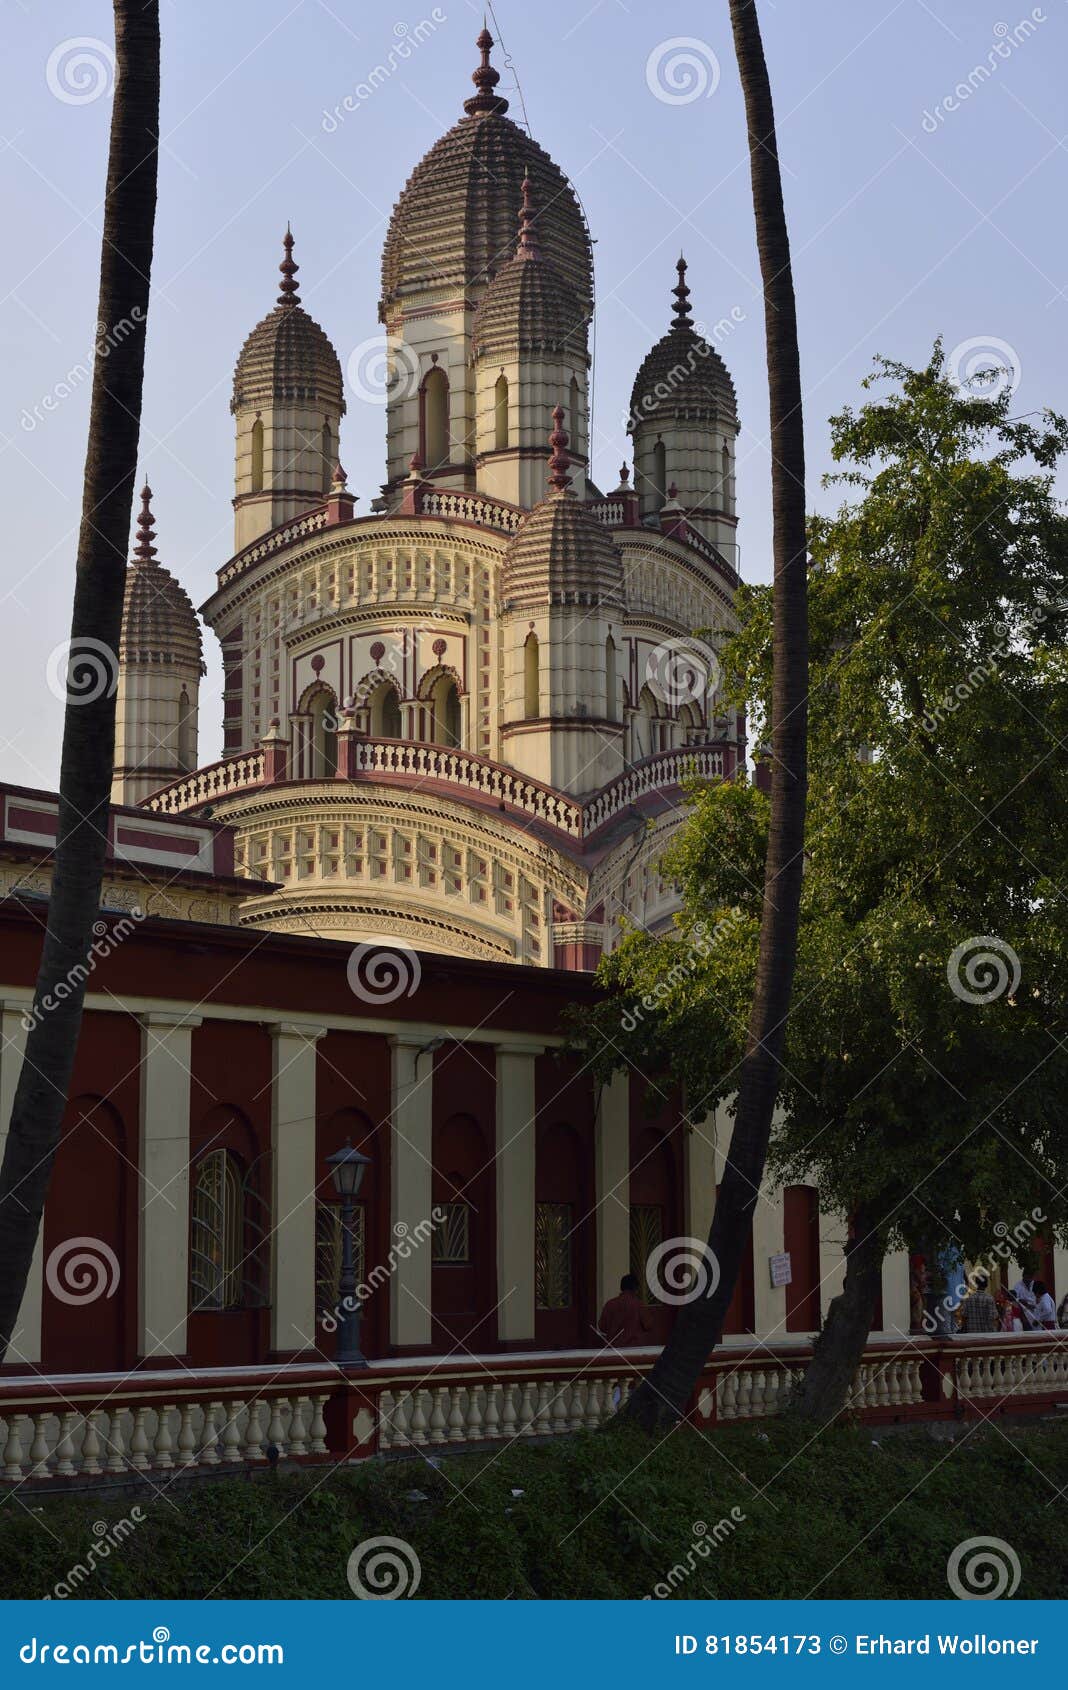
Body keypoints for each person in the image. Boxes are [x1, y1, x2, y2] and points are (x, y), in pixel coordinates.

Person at [597, 1273, 653, 1347]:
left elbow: (602, 1327)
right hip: (633, 1349)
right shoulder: (638, 1305)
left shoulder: (610, 1304)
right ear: (635, 1288)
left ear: (621, 1287)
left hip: (613, 1349)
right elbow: (648, 1325)